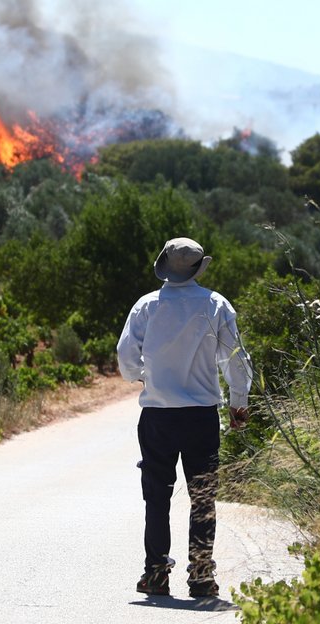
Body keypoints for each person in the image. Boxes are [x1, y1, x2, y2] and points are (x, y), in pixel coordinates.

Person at [116, 237, 251, 598]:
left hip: (157, 416)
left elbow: (125, 356)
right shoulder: (216, 304)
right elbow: (236, 359)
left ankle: (156, 573)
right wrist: (238, 402)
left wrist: (142, 376)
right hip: (201, 417)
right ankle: (201, 575)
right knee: (203, 497)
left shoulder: (146, 306)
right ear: (197, 268)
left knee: (157, 496)